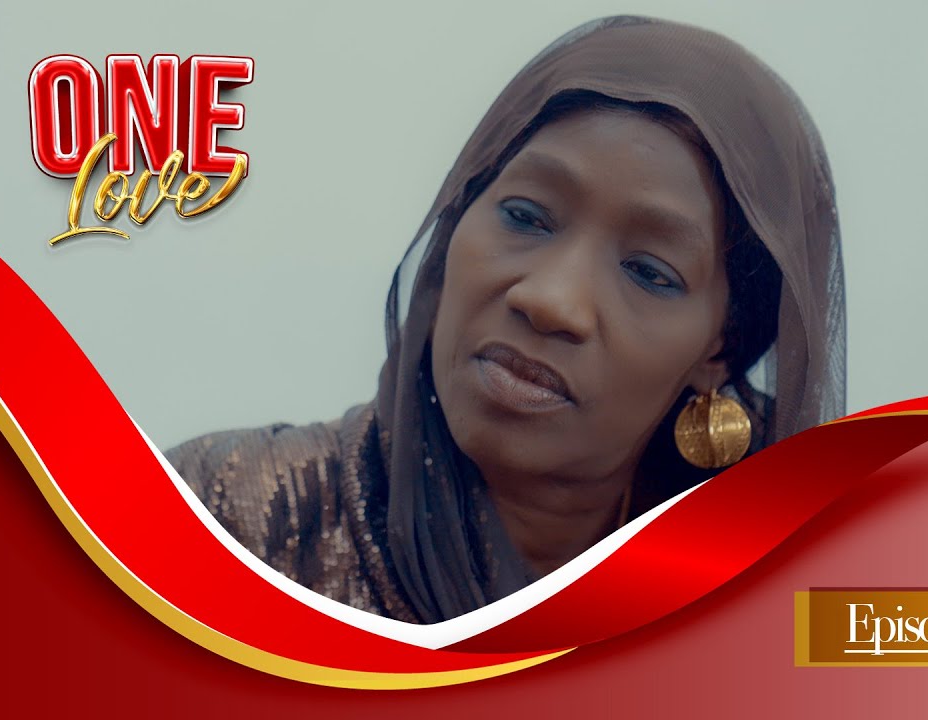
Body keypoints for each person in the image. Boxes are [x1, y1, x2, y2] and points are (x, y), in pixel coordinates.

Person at [167, 16, 845, 624]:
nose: (551, 301)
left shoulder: (766, 608)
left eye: (648, 272)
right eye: (525, 216)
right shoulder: (215, 521)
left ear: (719, 348)